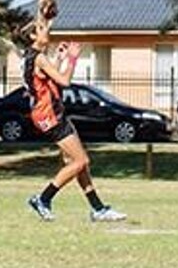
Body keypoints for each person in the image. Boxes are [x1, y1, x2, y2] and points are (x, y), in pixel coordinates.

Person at [23, 21, 126, 223]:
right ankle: (43, 199)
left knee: (76, 163)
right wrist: (71, 59)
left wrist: (60, 59)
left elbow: (46, 79)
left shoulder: (32, 57)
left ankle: (98, 208)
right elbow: (63, 81)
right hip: (51, 115)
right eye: (42, 30)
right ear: (33, 37)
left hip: (46, 114)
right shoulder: (40, 58)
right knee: (81, 161)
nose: (47, 32)